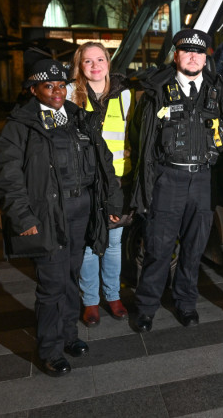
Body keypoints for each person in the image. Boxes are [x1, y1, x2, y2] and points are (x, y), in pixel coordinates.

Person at [0, 59, 122, 376]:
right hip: (46, 214)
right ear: (33, 89)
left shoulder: (80, 119)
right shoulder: (20, 126)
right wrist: (22, 217)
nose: (57, 92)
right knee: (51, 285)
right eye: (48, 86)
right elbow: (6, 176)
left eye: (62, 85)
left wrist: (113, 201)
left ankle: (69, 335)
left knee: (70, 278)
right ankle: (49, 349)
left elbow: (103, 161)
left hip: (82, 212)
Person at [130, 29, 223, 332]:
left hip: (202, 180)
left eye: (198, 53)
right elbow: (140, 137)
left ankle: (186, 304)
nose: (192, 57)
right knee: (158, 249)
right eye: (186, 51)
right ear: (176, 55)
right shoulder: (157, 89)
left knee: (194, 248)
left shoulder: (217, 89)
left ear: (205, 57)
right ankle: (146, 307)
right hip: (168, 179)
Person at [68, 42, 134, 327]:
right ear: (79, 66)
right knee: (88, 245)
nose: (95, 66)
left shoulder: (126, 96)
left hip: (116, 181)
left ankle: (113, 296)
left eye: (100, 60)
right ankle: (91, 301)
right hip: (85, 182)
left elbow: (132, 134)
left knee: (114, 244)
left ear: (108, 62)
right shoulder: (71, 95)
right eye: (87, 61)